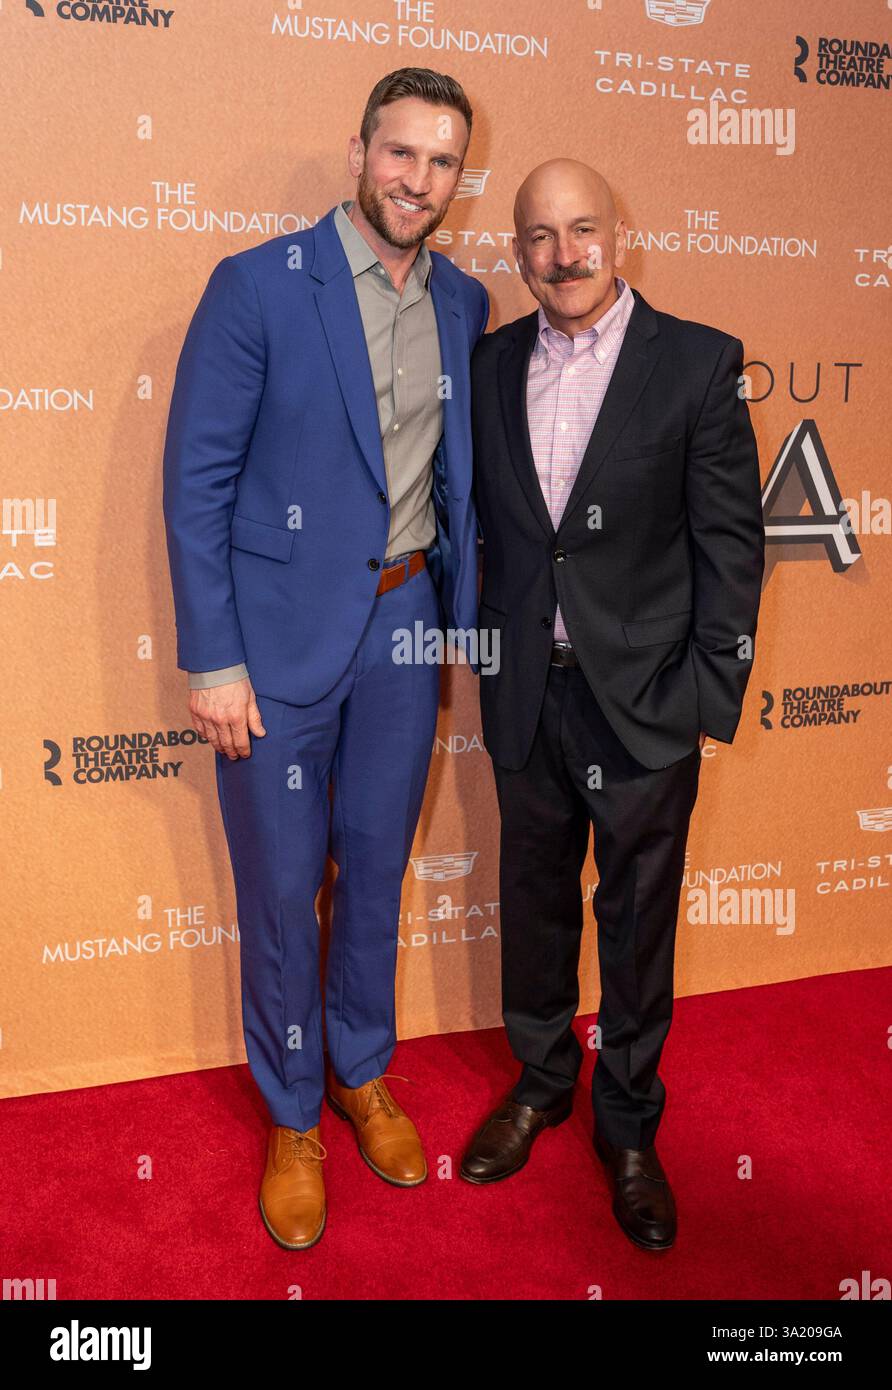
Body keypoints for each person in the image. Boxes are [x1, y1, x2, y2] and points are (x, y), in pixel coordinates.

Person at [162, 67, 488, 1250]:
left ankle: (361, 1069)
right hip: (274, 646)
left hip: (404, 627)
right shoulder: (257, 287)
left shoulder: (463, 302)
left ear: (461, 176)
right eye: (400, 154)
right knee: (281, 886)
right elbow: (196, 484)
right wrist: (214, 662)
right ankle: (294, 1108)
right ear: (358, 154)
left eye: (442, 162)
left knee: (373, 873)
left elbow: (453, 486)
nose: (418, 180)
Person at [461, 159, 764, 1251]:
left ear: (618, 234)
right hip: (527, 694)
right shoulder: (490, 362)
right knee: (533, 900)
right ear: (518, 250)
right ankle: (542, 1083)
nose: (562, 254)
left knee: (634, 924)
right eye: (538, 236)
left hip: (642, 701)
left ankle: (627, 1124)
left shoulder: (695, 362)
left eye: (582, 228)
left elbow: (730, 545)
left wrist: (702, 694)